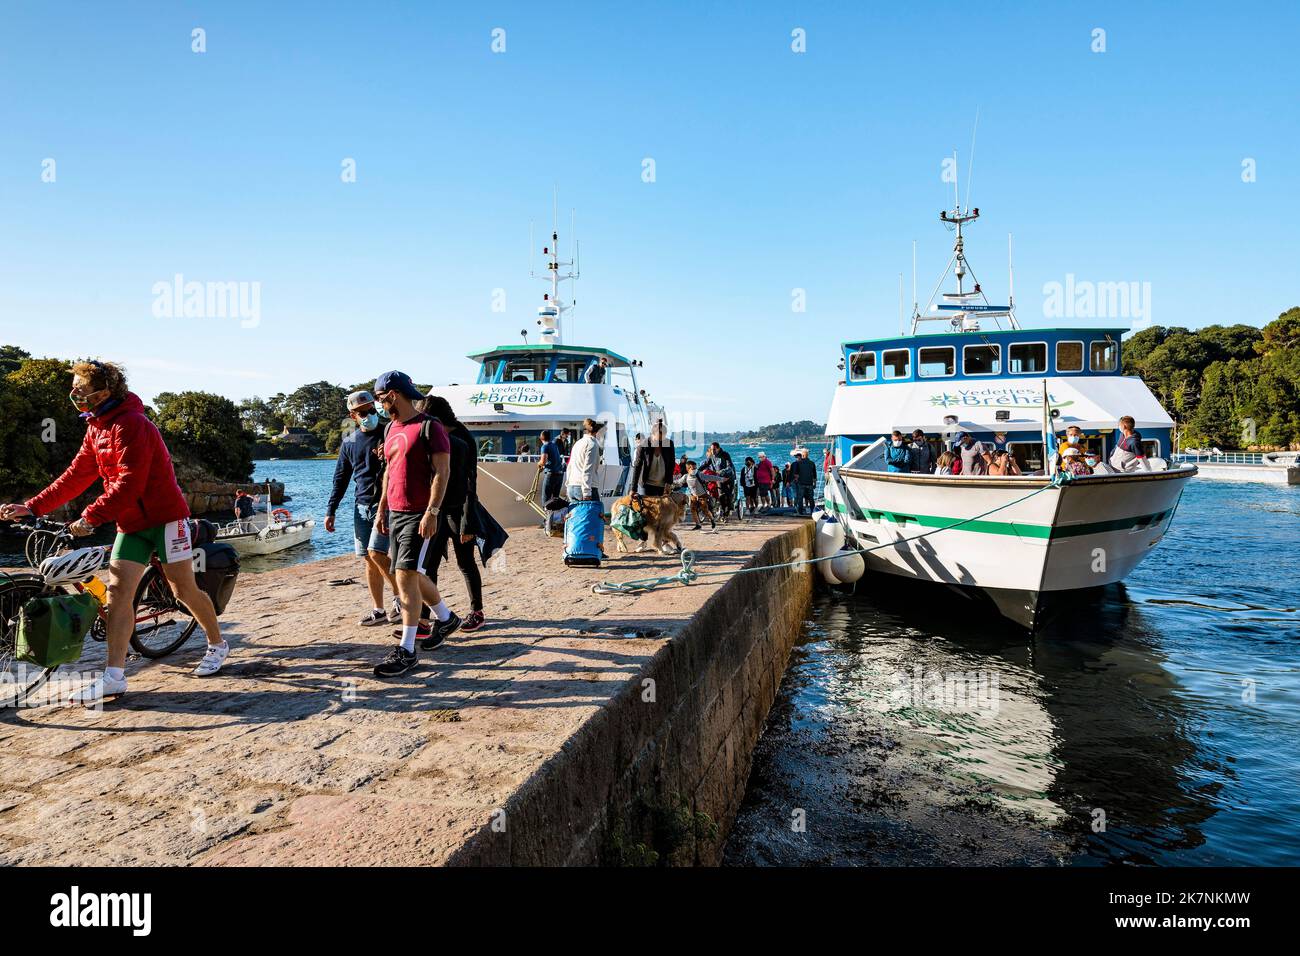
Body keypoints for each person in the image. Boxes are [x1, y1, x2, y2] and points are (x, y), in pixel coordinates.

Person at [0, 360, 227, 703]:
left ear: (103, 392)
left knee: (183, 590)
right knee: (118, 595)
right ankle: (114, 676)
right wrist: (32, 506)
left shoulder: (133, 425)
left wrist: (90, 517)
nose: (74, 393)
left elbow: (129, 483)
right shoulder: (96, 427)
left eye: (80, 387)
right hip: (131, 524)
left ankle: (217, 643)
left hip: (166, 520)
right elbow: (76, 476)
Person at [371, 370, 461, 678]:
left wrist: (432, 512)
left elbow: (442, 472)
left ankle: (408, 650)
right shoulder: (391, 429)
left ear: (393, 395)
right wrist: (382, 508)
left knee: (405, 576)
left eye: (381, 399)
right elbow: (390, 473)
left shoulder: (429, 427)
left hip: (419, 511)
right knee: (408, 572)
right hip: (394, 511)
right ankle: (446, 618)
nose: (380, 405)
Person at [326, 390, 399, 627]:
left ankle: (401, 599)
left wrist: (387, 455)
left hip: (386, 503)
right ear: (353, 415)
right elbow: (341, 478)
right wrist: (331, 510)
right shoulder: (349, 443)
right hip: (361, 507)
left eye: (372, 409)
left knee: (378, 553)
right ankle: (378, 608)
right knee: (368, 558)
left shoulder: (389, 432)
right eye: (363, 412)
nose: (369, 414)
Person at [423, 394, 487, 633]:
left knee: (465, 562)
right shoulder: (436, 437)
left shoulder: (462, 439)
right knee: (429, 565)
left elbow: (472, 482)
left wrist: (468, 523)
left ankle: (477, 611)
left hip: (459, 511)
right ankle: (423, 617)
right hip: (437, 509)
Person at [565, 417, 605, 507]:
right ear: (597, 433)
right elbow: (588, 469)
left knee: (575, 519)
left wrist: (568, 485)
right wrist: (587, 492)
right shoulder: (592, 445)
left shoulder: (577, 443)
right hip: (584, 488)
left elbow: (570, 466)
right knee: (594, 517)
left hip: (572, 485)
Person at [631, 420, 676, 497]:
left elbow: (671, 465)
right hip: (646, 484)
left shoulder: (669, 444)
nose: (660, 441)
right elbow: (637, 466)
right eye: (658, 439)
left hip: (662, 485)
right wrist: (633, 489)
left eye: (663, 439)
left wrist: (669, 483)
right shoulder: (643, 445)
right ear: (652, 434)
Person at [674, 460, 716, 531]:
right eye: (693, 468)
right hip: (693, 496)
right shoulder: (686, 476)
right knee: (693, 510)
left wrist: (722, 479)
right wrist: (671, 482)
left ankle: (712, 520)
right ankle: (698, 525)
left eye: (695, 468)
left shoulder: (699, 474)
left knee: (705, 511)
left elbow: (710, 477)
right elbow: (679, 481)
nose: (694, 470)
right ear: (688, 469)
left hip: (702, 495)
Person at [536, 429, 565, 503]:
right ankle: (555, 514)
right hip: (560, 474)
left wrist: (539, 464)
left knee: (546, 500)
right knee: (555, 499)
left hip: (551, 475)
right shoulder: (554, 445)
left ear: (541, 438)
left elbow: (543, 462)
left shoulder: (544, 446)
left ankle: (546, 514)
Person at [794, 449, 818, 515]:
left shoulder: (799, 463)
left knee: (800, 498)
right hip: (810, 483)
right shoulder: (812, 463)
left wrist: (796, 481)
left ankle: (800, 512)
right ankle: (813, 511)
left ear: (803, 455)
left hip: (801, 483)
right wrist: (815, 484)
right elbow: (815, 475)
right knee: (811, 498)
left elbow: (796, 475)